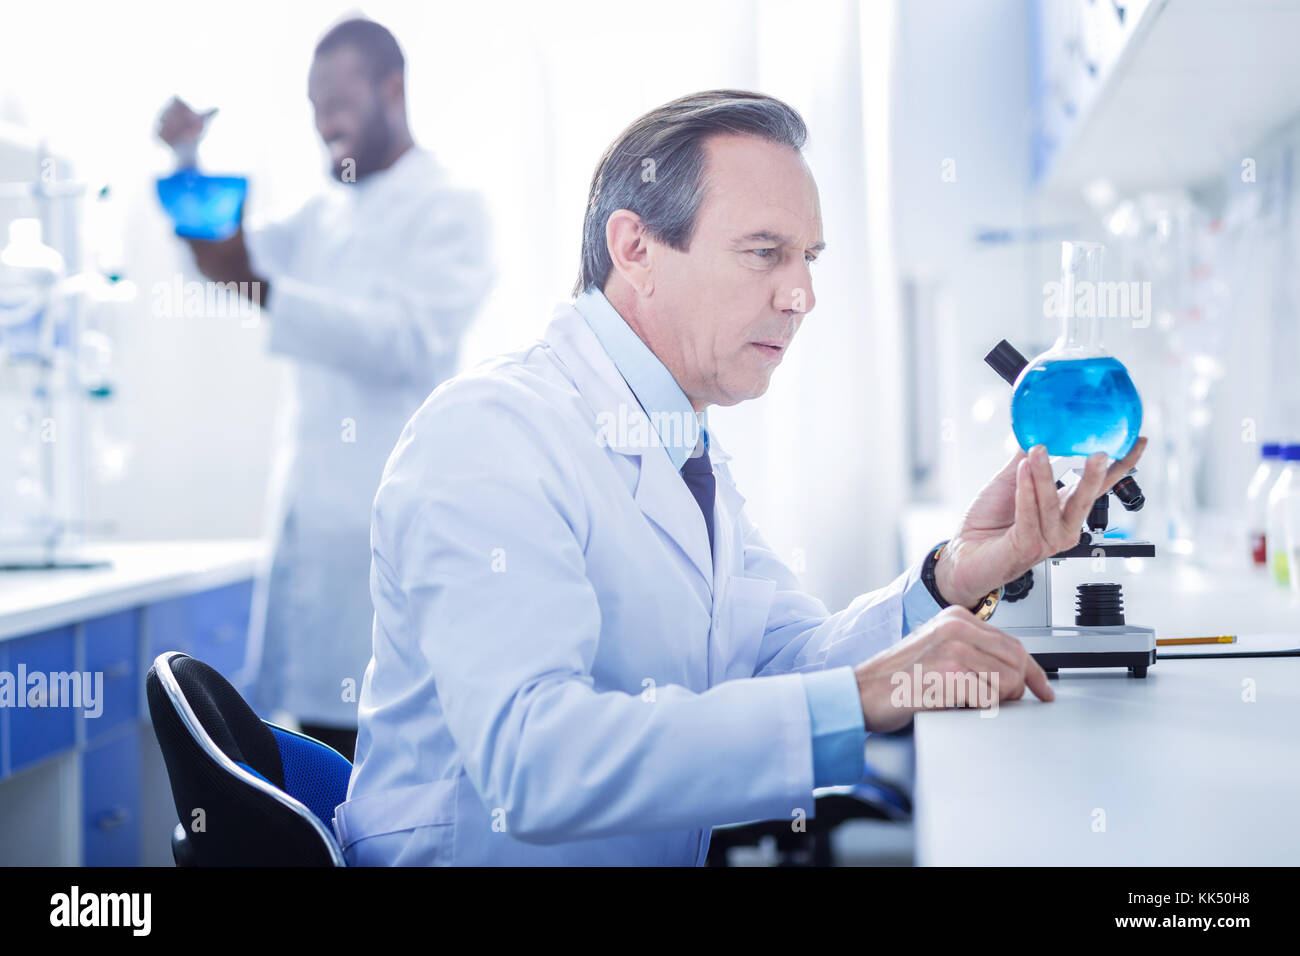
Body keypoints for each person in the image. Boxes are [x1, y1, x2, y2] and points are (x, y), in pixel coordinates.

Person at [335, 90, 1145, 864]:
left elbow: (780, 659)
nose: (803, 296)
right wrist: (865, 693)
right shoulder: (493, 432)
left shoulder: (675, 434)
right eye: (766, 253)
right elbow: (533, 761)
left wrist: (953, 574)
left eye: (809, 258)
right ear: (636, 249)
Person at [154, 18, 493, 760]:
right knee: (312, 758)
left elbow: (409, 338)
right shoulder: (322, 210)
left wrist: (274, 294)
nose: (324, 121)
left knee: (386, 764)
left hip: (386, 533)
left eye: (339, 99)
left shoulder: (451, 203)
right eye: (313, 104)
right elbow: (225, 264)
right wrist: (186, 157)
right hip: (312, 529)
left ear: (391, 89)